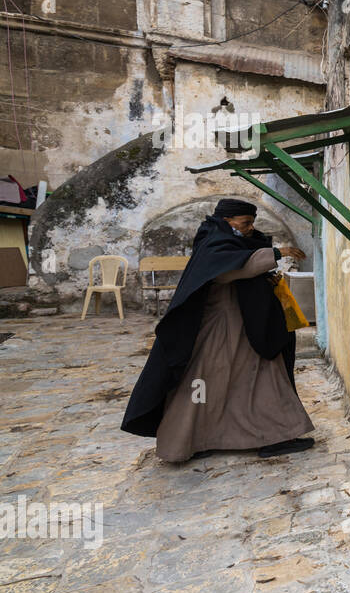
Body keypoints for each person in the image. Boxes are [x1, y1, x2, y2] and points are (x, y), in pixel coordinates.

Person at [122, 197, 315, 462]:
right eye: (245, 223)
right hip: (222, 330)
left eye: (251, 223)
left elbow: (245, 260)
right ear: (228, 221)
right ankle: (187, 442)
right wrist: (278, 253)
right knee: (202, 384)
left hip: (247, 326)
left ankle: (275, 436)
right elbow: (231, 270)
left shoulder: (229, 238)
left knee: (261, 376)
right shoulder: (214, 243)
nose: (249, 228)